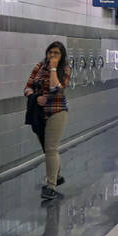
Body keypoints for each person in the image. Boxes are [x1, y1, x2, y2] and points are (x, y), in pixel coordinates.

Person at [24, 41, 71, 199]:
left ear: (62, 55)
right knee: (47, 148)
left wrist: (52, 68)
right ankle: (57, 176)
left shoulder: (65, 69)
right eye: (50, 52)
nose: (52, 55)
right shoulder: (38, 67)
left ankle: (51, 186)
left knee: (51, 148)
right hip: (38, 112)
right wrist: (34, 97)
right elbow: (27, 87)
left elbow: (57, 89)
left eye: (56, 53)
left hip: (57, 112)